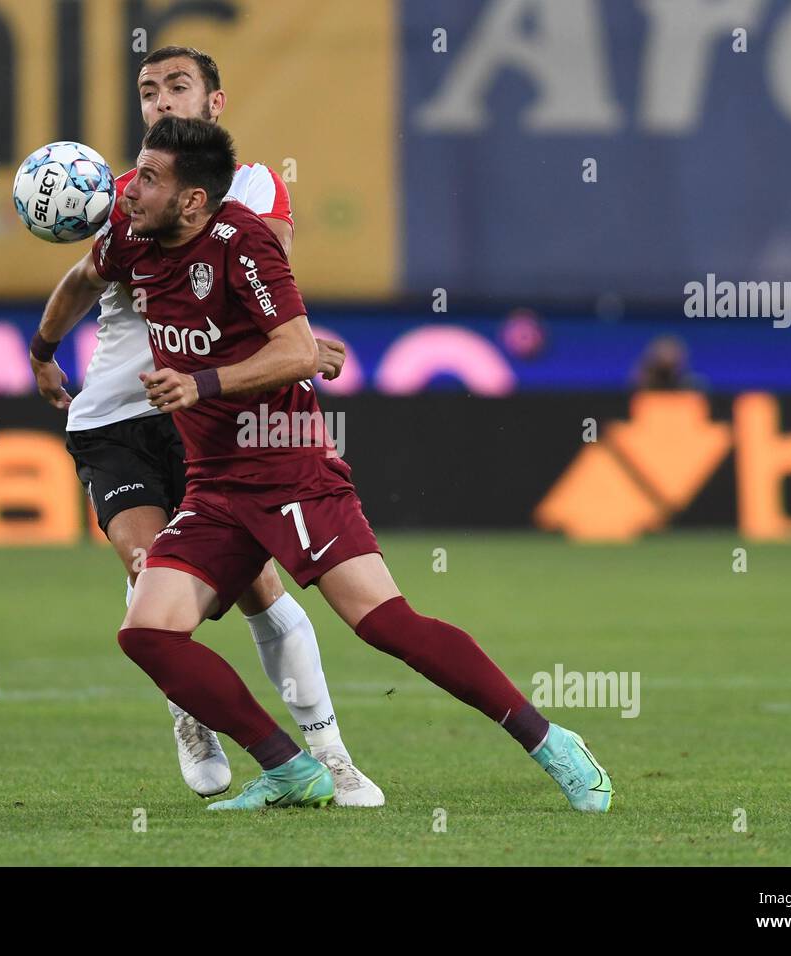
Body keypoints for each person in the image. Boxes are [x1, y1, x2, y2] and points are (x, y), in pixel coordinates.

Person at [42, 114, 614, 812]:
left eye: (150, 178)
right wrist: (42, 349)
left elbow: (301, 351)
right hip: (215, 482)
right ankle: (289, 767)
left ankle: (551, 739)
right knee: (147, 634)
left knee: (385, 625)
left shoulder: (243, 244)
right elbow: (81, 274)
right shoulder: (132, 237)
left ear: (193, 200)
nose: (130, 190)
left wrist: (203, 383)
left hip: (287, 467)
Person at [29, 47, 382, 806]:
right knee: (146, 569)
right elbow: (82, 278)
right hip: (116, 420)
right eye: (148, 90)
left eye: (178, 87)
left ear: (214, 104)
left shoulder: (251, 190)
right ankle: (190, 712)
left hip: (210, 421)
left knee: (258, 588)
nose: (160, 100)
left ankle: (331, 753)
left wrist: (297, 346)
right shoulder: (122, 198)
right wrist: (44, 350)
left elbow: (266, 285)